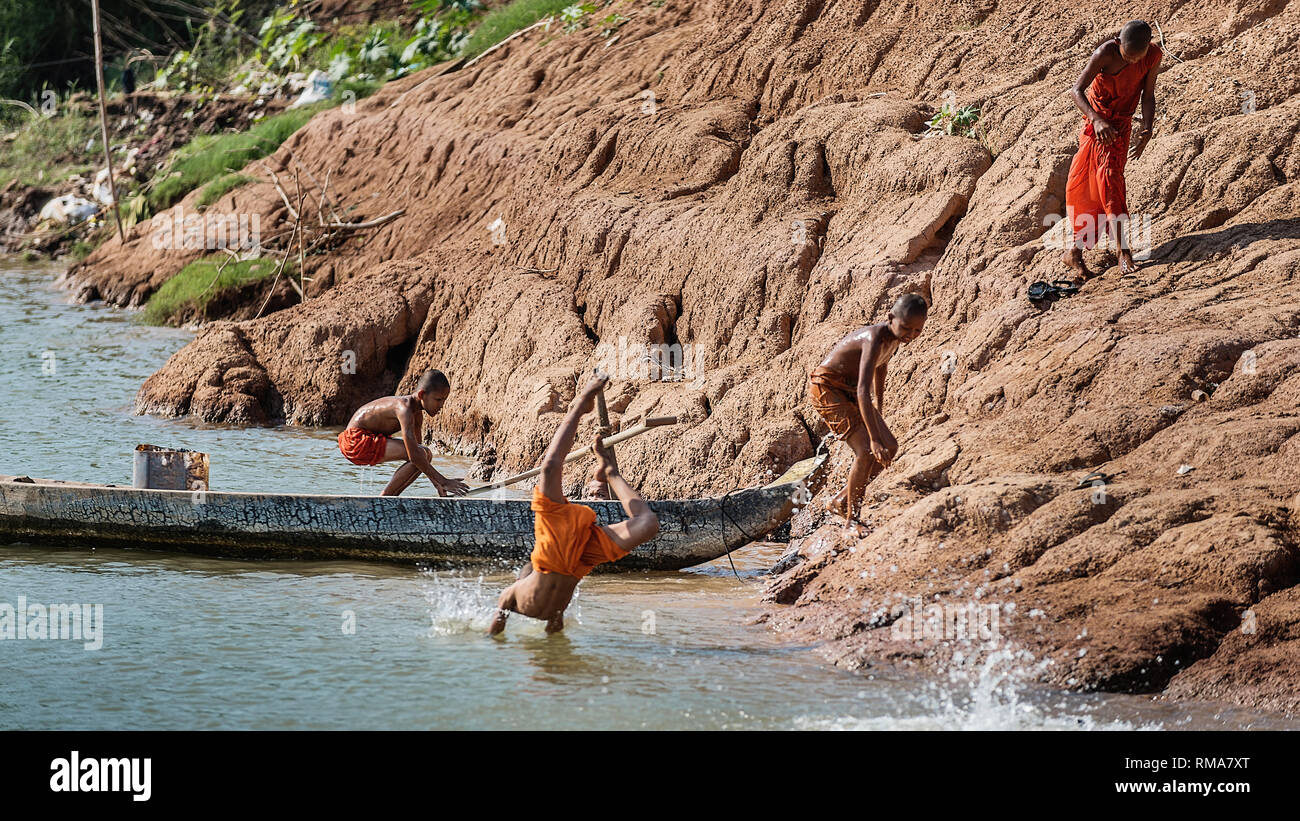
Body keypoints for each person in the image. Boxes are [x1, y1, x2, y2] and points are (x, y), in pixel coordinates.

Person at [489, 374, 659, 634]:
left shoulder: (513, 593)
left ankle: (580, 406)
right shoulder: (521, 601)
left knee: (550, 468)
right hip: (578, 559)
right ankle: (610, 473)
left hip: (555, 548)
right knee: (648, 524)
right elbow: (551, 629)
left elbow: (495, 634)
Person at [809, 293, 928, 522]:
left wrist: (878, 406)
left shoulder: (895, 338)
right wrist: (874, 438)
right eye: (906, 328)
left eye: (917, 330)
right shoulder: (873, 339)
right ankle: (851, 519)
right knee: (865, 450)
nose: (911, 335)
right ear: (890, 318)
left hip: (851, 390)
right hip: (827, 388)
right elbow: (863, 390)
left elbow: (880, 368)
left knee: (890, 447)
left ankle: (841, 501)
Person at [1064, 19, 1163, 280]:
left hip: (1121, 128)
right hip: (1099, 127)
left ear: (1147, 47)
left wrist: (1148, 128)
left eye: (1137, 57)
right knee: (1106, 183)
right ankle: (1123, 251)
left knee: (1105, 186)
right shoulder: (1105, 53)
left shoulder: (1153, 55)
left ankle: (1074, 251)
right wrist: (1096, 120)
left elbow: (1148, 95)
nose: (1132, 62)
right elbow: (1076, 90)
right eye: (1127, 57)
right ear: (1118, 43)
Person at [336, 369, 469, 497]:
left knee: (425, 453)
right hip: (354, 441)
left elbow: (419, 459)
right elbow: (415, 455)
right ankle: (384, 499)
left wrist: (437, 484)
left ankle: (390, 498)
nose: (441, 405)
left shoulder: (417, 414)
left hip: (367, 439)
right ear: (421, 395)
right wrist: (443, 481)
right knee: (421, 453)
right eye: (438, 400)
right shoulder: (404, 409)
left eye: (444, 400)